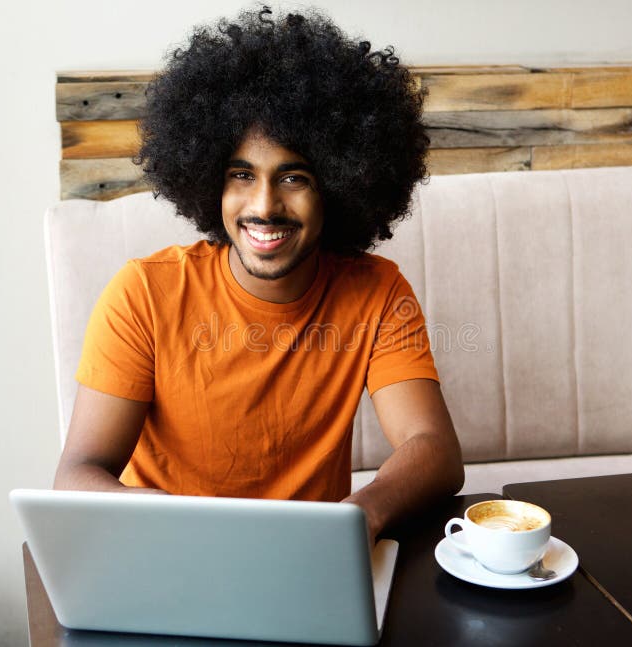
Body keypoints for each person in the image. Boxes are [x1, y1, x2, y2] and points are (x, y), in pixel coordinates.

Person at [54, 6, 464, 543]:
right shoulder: (144, 294)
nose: (264, 206)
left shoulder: (377, 292)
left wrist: (361, 515)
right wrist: (161, 515)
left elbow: (435, 448)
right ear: (208, 182)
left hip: (311, 556)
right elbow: (77, 473)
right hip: (168, 549)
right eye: (241, 175)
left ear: (342, 186)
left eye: (293, 177)